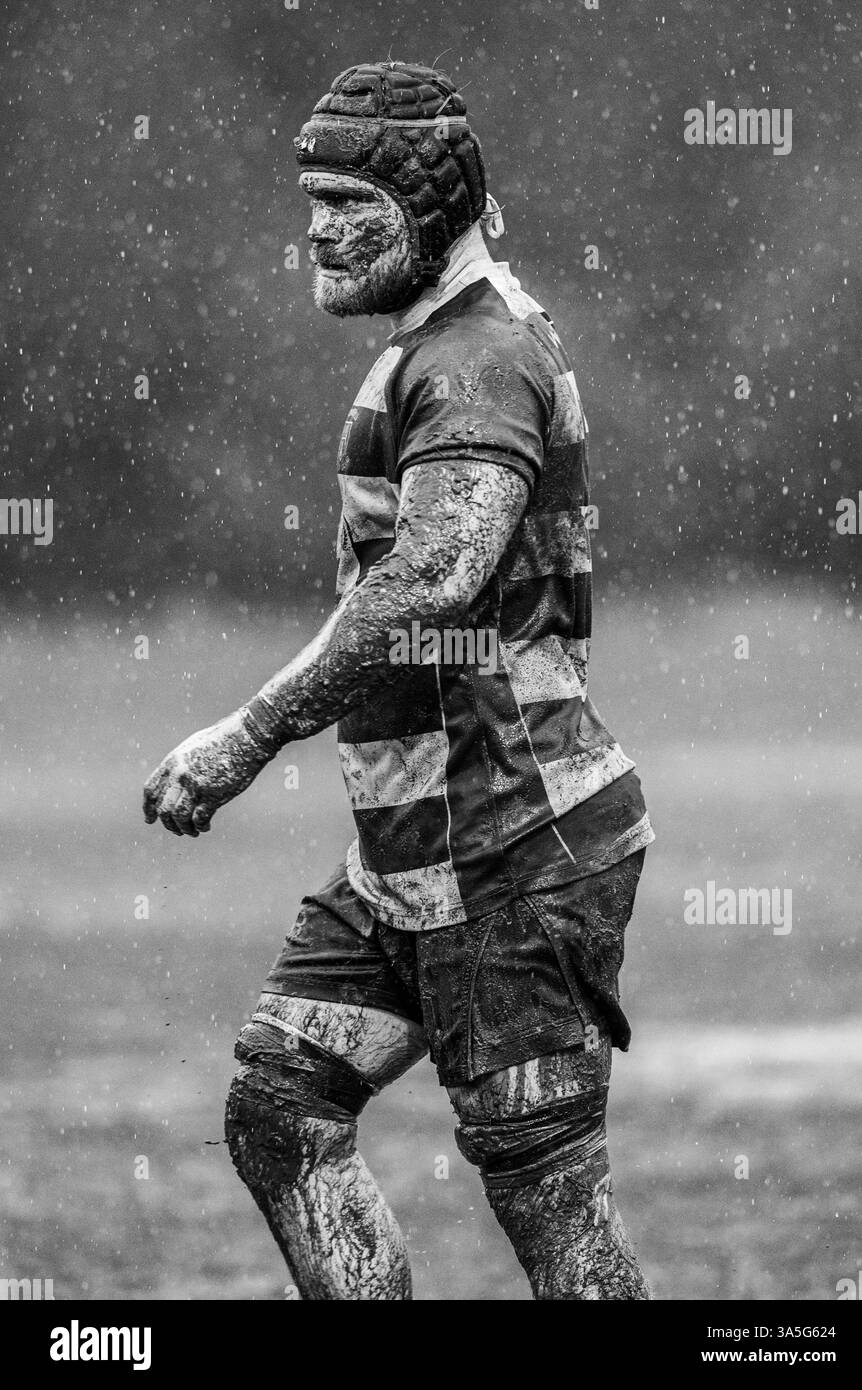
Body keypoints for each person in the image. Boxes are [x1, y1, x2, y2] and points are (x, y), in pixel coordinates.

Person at [143, 61, 655, 1301]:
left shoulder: (475, 361)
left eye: (346, 203)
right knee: (281, 1110)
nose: (316, 230)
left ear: (429, 210)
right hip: (411, 854)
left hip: (514, 849)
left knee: (548, 1207)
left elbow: (432, 576)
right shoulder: (438, 345)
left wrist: (245, 737)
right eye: (311, 200)